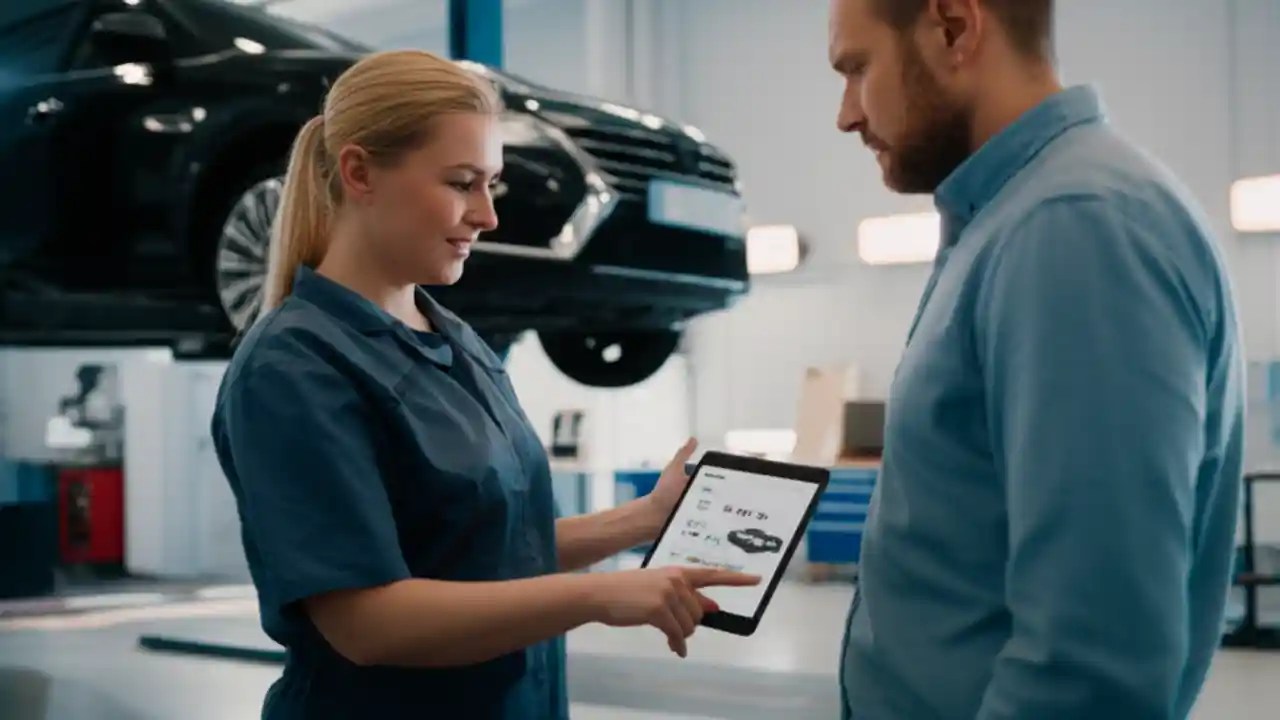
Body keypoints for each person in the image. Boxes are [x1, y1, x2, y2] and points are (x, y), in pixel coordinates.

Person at [209, 49, 759, 720]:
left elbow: (487, 545)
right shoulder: (293, 367)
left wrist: (645, 518)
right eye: (462, 182)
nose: (487, 216)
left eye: (490, 184)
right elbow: (367, 621)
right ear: (359, 172)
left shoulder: (456, 340)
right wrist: (598, 597)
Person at [827, 1, 1244, 718]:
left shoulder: (1076, 226)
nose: (846, 115)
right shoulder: (1010, 217)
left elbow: (1091, 663)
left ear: (954, 27)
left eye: (857, 68)